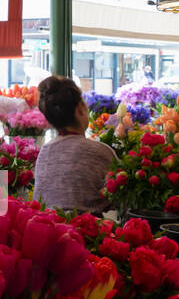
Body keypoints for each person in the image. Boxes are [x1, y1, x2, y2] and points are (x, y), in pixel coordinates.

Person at [32, 76, 116, 214]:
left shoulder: (44, 153)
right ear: (80, 109)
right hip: (89, 231)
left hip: (50, 230)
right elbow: (122, 195)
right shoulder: (99, 151)